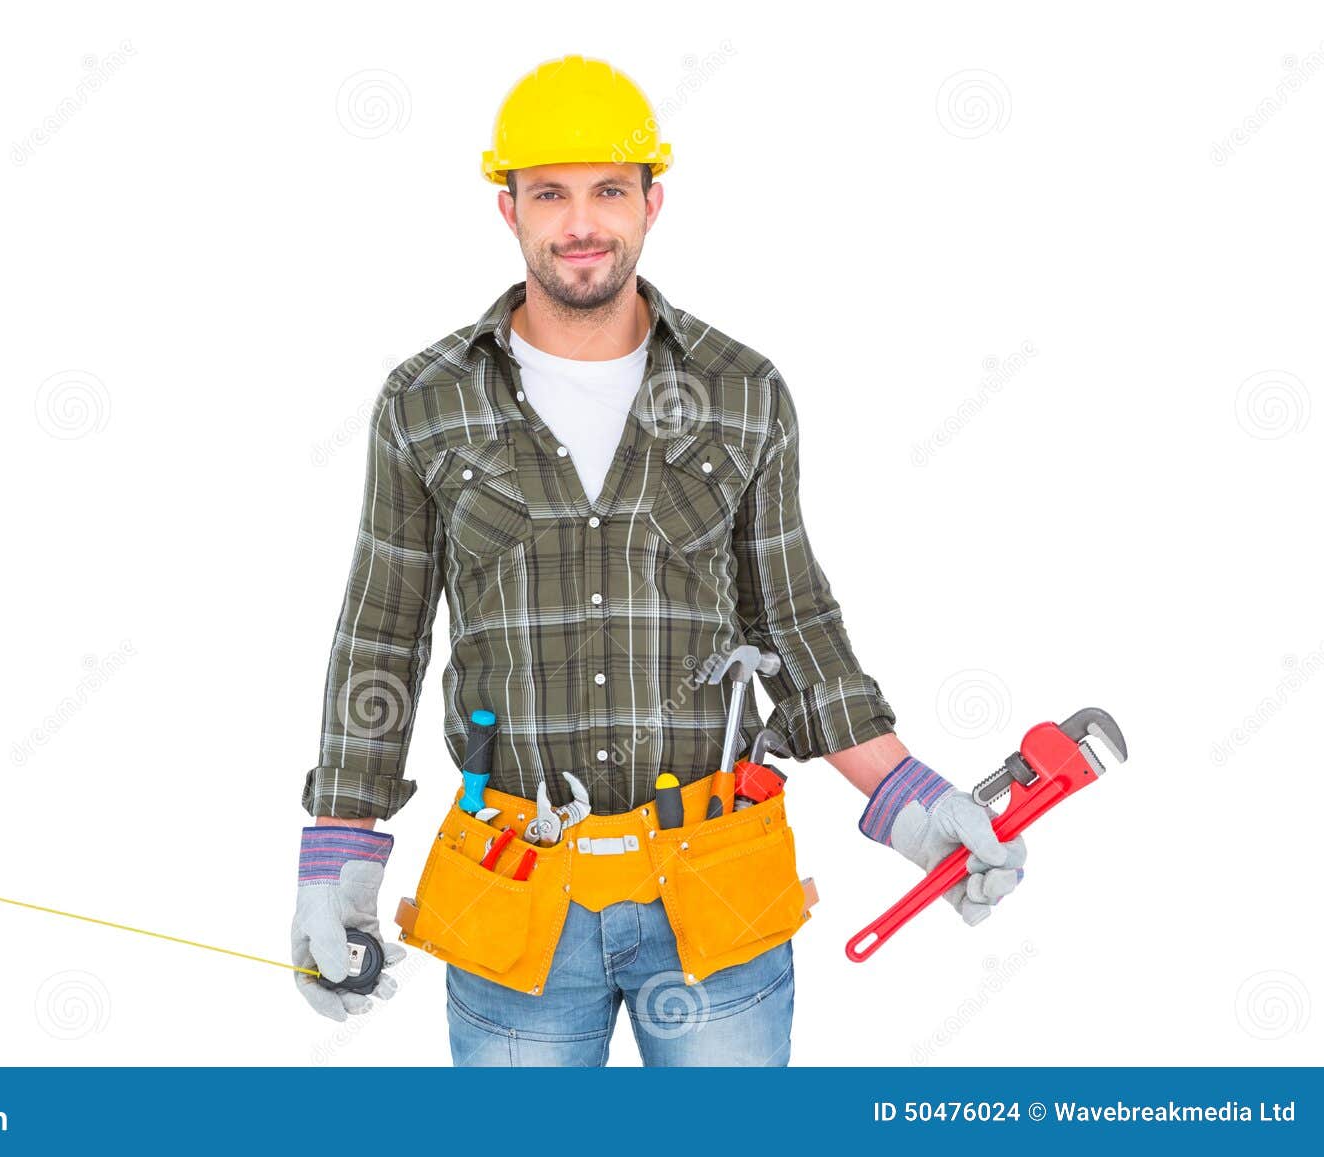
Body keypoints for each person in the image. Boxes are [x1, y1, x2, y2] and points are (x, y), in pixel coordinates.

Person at [290, 54, 1026, 1066]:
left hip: (714, 887)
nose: (580, 221)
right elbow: (381, 634)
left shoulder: (739, 389)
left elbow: (795, 626)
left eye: (608, 190)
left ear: (652, 201)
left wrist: (916, 804)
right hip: (518, 901)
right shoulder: (425, 403)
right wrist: (338, 855)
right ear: (507, 207)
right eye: (549, 192)